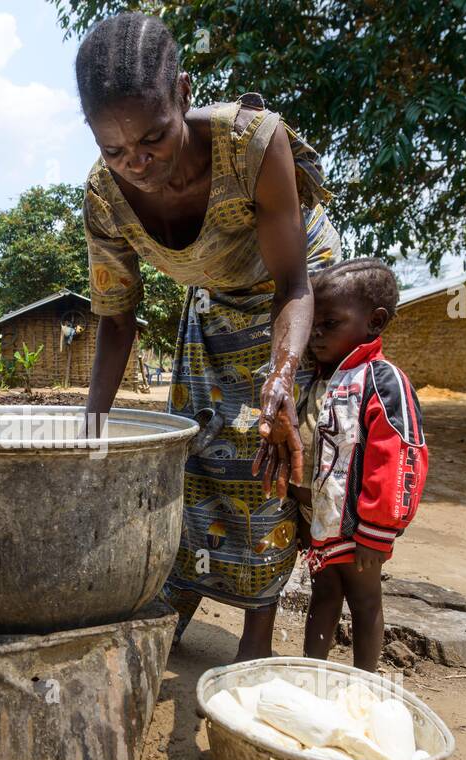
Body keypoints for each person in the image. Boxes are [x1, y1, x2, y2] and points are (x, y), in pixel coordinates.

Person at [76, 12, 340, 660]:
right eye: (114, 150)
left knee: (262, 452)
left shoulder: (252, 144)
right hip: (217, 292)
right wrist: (89, 424)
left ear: (185, 95)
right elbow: (116, 319)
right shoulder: (105, 197)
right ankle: (175, 598)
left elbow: (294, 288)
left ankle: (256, 629)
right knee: (191, 450)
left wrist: (282, 376)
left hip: (293, 292)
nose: (136, 163)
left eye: (154, 138)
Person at [291, 259, 429, 671]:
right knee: (323, 593)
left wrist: (377, 530)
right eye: (312, 323)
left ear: (375, 322)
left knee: (365, 601)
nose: (315, 334)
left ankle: (363, 682)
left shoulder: (383, 380)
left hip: (360, 527)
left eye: (329, 324)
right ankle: (313, 675)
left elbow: (399, 456)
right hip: (319, 519)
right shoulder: (316, 379)